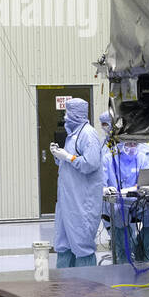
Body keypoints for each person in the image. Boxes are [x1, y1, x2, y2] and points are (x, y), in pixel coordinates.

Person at [49, 97, 104, 267]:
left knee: (81, 244)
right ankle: (64, 283)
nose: (65, 117)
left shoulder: (88, 134)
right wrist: (59, 155)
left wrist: (68, 156)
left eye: (67, 112)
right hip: (68, 202)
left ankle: (87, 286)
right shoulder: (72, 136)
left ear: (77, 114)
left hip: (82, 203)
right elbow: (70, 164)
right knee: (63, 243)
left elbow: (90, 163)